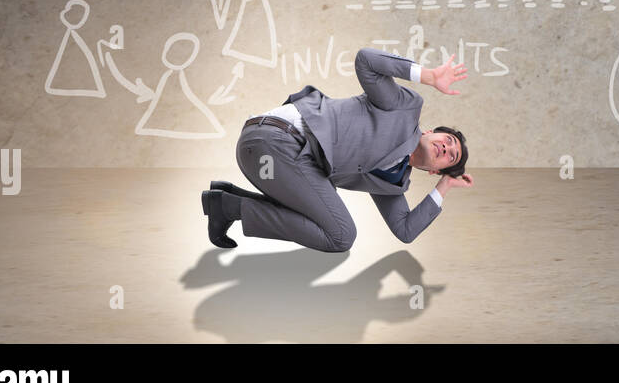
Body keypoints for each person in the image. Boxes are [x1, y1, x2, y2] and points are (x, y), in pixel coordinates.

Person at [201, 48, 473, 252]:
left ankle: (225, 202)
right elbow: (366, 60)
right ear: (430, 132)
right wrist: (428, 75)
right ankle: (228, 206)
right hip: (274, 140)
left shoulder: (391, 182)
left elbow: (405, 230)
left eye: (452, 155)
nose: (447, 147)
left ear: (435, 170)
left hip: (279, 163)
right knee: (341, 233)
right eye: (448, 139)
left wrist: (445, 185)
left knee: (338, 233)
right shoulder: (404, 109)